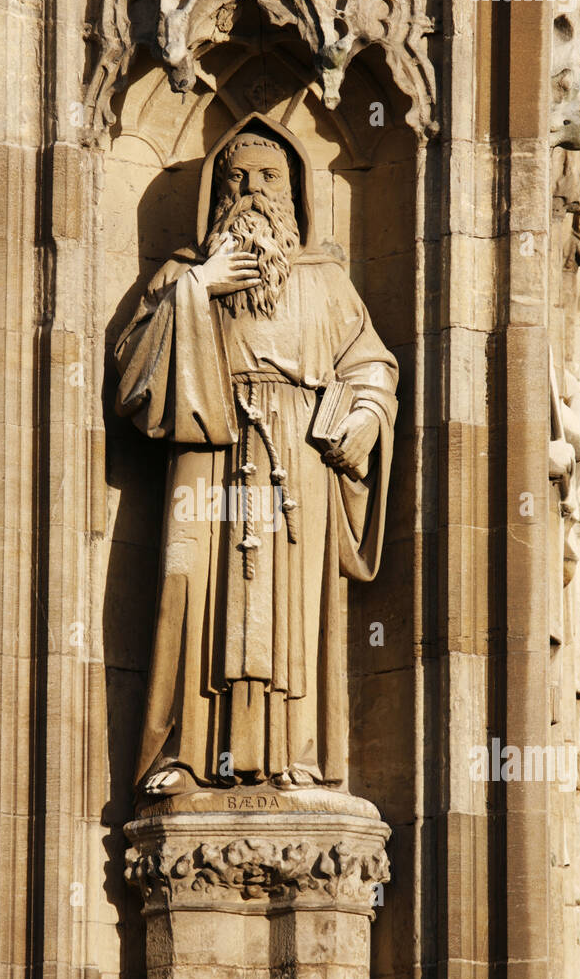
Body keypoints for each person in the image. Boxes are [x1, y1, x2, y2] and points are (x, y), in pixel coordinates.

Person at [115, 113, 398, 799]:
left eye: (269, 177)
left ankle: (299, 754)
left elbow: (372, 366)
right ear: (216, 191)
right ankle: (182, 753)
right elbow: (132, 375)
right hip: (208, 446)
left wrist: (364, 418)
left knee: (295, 605)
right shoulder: (183, 276)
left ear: (295, 194)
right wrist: (198, 288)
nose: (252, 190)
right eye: (237, 178)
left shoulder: (325, 280)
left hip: (298, 455)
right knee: (190, 588)